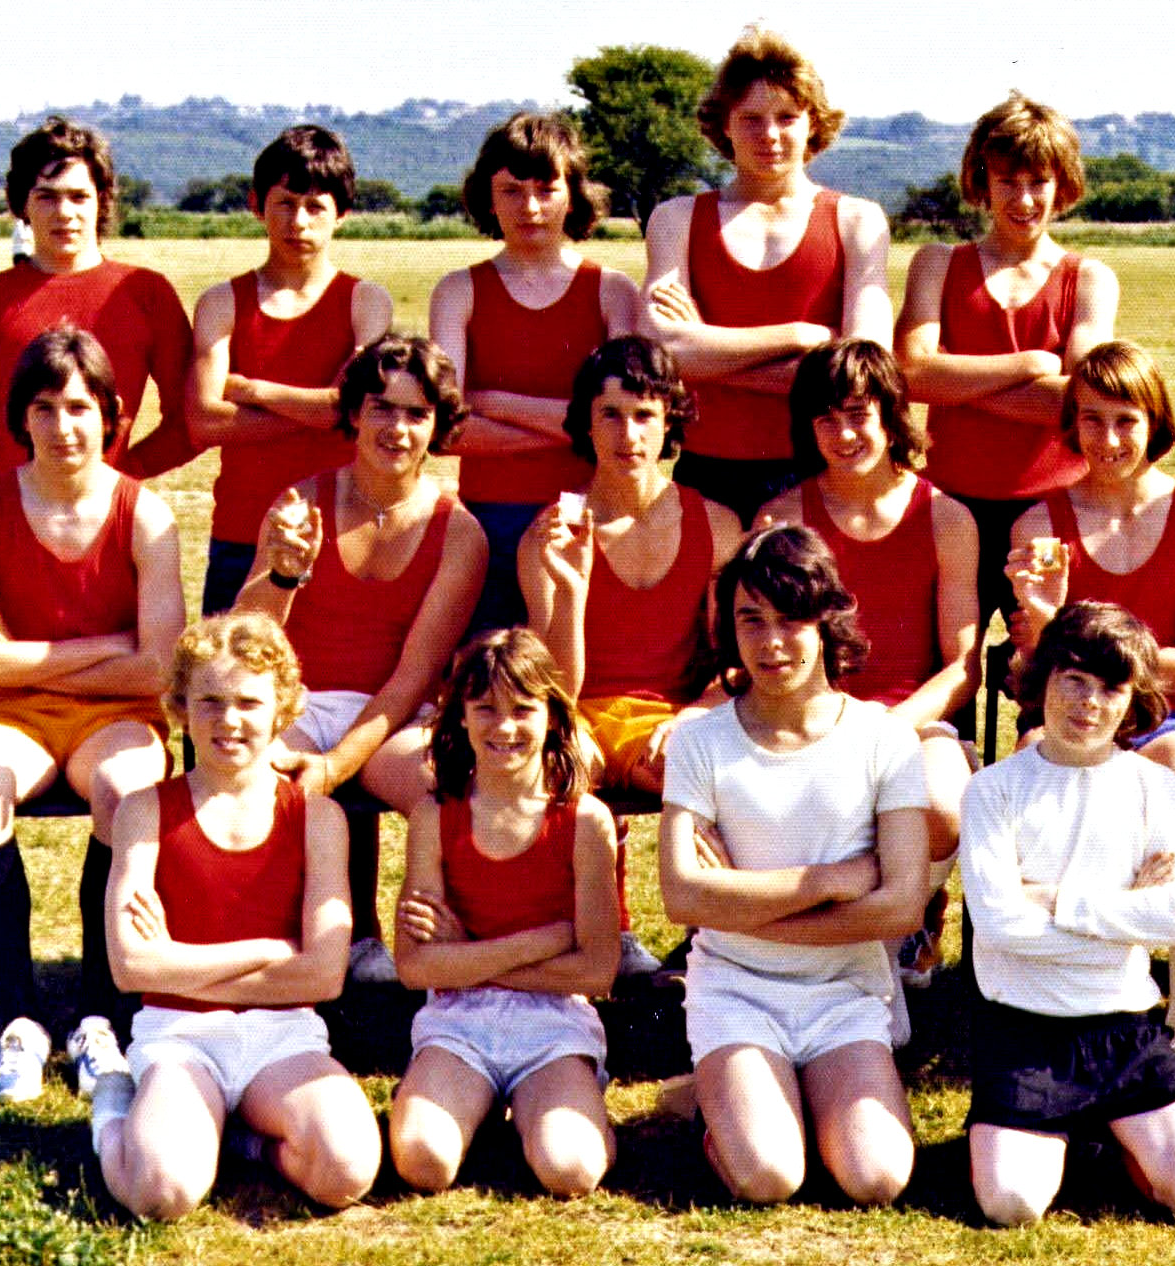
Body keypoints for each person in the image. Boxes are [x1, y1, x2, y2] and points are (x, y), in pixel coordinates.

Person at [0, 116, 195, 998]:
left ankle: (104, 986)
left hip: (100, 536)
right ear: (21, 204)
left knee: (102, 759)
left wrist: (116, 485)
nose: (65, 211)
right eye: (47, 195)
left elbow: (191, 420)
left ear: (105, 205)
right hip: (10, 539)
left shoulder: (145, 291)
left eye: (81, 196)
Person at [0, 326, 184, 1103]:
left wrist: (32, 649)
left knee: (124, 787)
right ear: (20, 418)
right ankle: (19, 1019)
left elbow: (158, 664)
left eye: (79, 406)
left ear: (110, 413)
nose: (63, 426)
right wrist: (93, 645)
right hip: (16, 711)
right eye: (43, 408)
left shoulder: (145, 515)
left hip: (121, 710)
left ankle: (100, 1016)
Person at [658, 525, 929, 1205]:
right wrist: (832, 883)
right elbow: (683, 897)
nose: (770, 643)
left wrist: (744, 906)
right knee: (770, 1177)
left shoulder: (885, 738)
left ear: (827, 622)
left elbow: (900, 907)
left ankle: (752, 1091)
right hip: (736, 992)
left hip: (844, 996)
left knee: (877, 1178)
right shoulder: (699, 742)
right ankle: (719, 1097)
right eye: (751, 620)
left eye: (790, 620)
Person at [1005, 340, 1175, 1102]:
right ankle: (1048, 1011)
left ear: (1155, 421)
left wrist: (1084, 642)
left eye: (1125, 421)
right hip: (1063, 718)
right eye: (1091, 421)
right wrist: (1043, 624)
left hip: (1157, 722)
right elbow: (1029, 678)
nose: (1108, 441)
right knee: (1037, 769)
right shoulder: (1041, 520)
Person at [92, 612, 379, 1219]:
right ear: (181, 707)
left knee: (346, 1170)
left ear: (282, 709)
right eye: (210, 701)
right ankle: (112, 1109)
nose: (229, 720)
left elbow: (324, 977)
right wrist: (269, 952)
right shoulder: (145, 811)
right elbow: (130, 966)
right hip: (178, 1036)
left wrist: (175, 961)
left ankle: (244, 1143)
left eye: (248, 702)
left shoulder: (318, 818)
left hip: (284, 1036)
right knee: (162, 1193)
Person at [961, 601, 1175, 1225]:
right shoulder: (993, 790)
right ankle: (1056, 1135)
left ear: (1131, 699)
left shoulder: (1157, 788)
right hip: (1022, 1029)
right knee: (1012, 1205)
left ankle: (1112, 1132)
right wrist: (1122, 921)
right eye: (1073, 680)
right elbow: (1001, 925)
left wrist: (1061, 901)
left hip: (1124, 1028)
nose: (1088, 703)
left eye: (1109, 688)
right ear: (1043, 681)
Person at [235, 335, 487, 983]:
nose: (397, 429)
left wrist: (330, 767)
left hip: (394, 716)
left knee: (443, 783)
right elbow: (243, 646)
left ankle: (439, 954)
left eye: (415, 414)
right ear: (352, 412)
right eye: (380, 407)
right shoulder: (300, 502)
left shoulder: (459, 533)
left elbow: (410, 681)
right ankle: (268, 948)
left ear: (438, 426)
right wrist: (284, 575)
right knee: (238, 771)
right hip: (296, 702)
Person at [754, 338, 979, 980]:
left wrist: (886, 730)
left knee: (938, 802)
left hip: (913, 719)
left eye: (859, 413)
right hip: (810, 718)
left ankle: (903, 924)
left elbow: (965, 664)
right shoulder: (785, 516)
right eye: (826, 418)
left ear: (891, 414)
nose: (844, 432)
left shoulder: (945, 516)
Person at [521, 336, 744, 975]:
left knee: (714, 769)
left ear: (671, 420)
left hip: (672, 713)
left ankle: (716, 943)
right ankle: (601, 939)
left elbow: (736, 661)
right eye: (610, 415)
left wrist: (699, 712)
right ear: (585, 423)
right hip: (578, 710)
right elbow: (554, 685)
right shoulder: (553, 533)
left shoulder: (718, 524)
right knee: (559, 771)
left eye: (645, 414)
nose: (628, 435)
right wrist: (572, 587)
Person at [388, 629, 619, 1197]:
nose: (505, 726)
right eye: (484, 709)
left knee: (570, 1171)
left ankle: (571, 1111)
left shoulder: (583, 820)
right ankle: (471, 1104)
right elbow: (417, 968)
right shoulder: (434, 815)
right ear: (460, 718)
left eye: (523, 709)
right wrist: (548, 940)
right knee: (423, 1163)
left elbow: (596, 972)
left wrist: (465, 953)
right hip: (458, 1017)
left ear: (553, 718)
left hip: (554, 1020)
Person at [640, 26, 892, 525]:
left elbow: (861, 371)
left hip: (821, 470)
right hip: (704, 470)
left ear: (813, 124)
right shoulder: (677, 219)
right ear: (725, 126)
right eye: (751, 119)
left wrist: (709, 355)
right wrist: (802, 337)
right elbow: (663, 355)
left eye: (787, 118)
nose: (770, 135)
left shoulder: (857, 220)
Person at [896, 93, 1118, 624]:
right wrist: (1029, 365)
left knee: (1049, 666)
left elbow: (1076, 403)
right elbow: (909, 374)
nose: (1023, 199)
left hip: (1055, 505)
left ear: (1062, 184)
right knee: (951, 665)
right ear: (982, 182)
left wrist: (957, 382)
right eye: (1007, 182)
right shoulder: (938, 265)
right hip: (950, 504)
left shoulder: (1088, 279)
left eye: (1038, 182)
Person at [429, 112, 640, 633]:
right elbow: (446, 430)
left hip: (586, 512)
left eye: (546, 189)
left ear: (574, 194)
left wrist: (493, 401)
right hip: (486, 521)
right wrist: (578, 425)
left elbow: (622, 428)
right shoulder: (459, 290)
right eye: (511, 191)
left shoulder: (613, 292)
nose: (529, 208)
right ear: (487, 196)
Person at [187, 124, 393, 614]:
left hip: (340, 530)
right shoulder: (222, 302)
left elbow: (349, 408)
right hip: (242, 530)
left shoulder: (365, 301)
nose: (298, 221)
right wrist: (319, 409)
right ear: (256, 205)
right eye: (285, 203)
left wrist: (250, 389)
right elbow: (204, 422)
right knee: (230, 679)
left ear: (342, 214)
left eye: (316, 206)